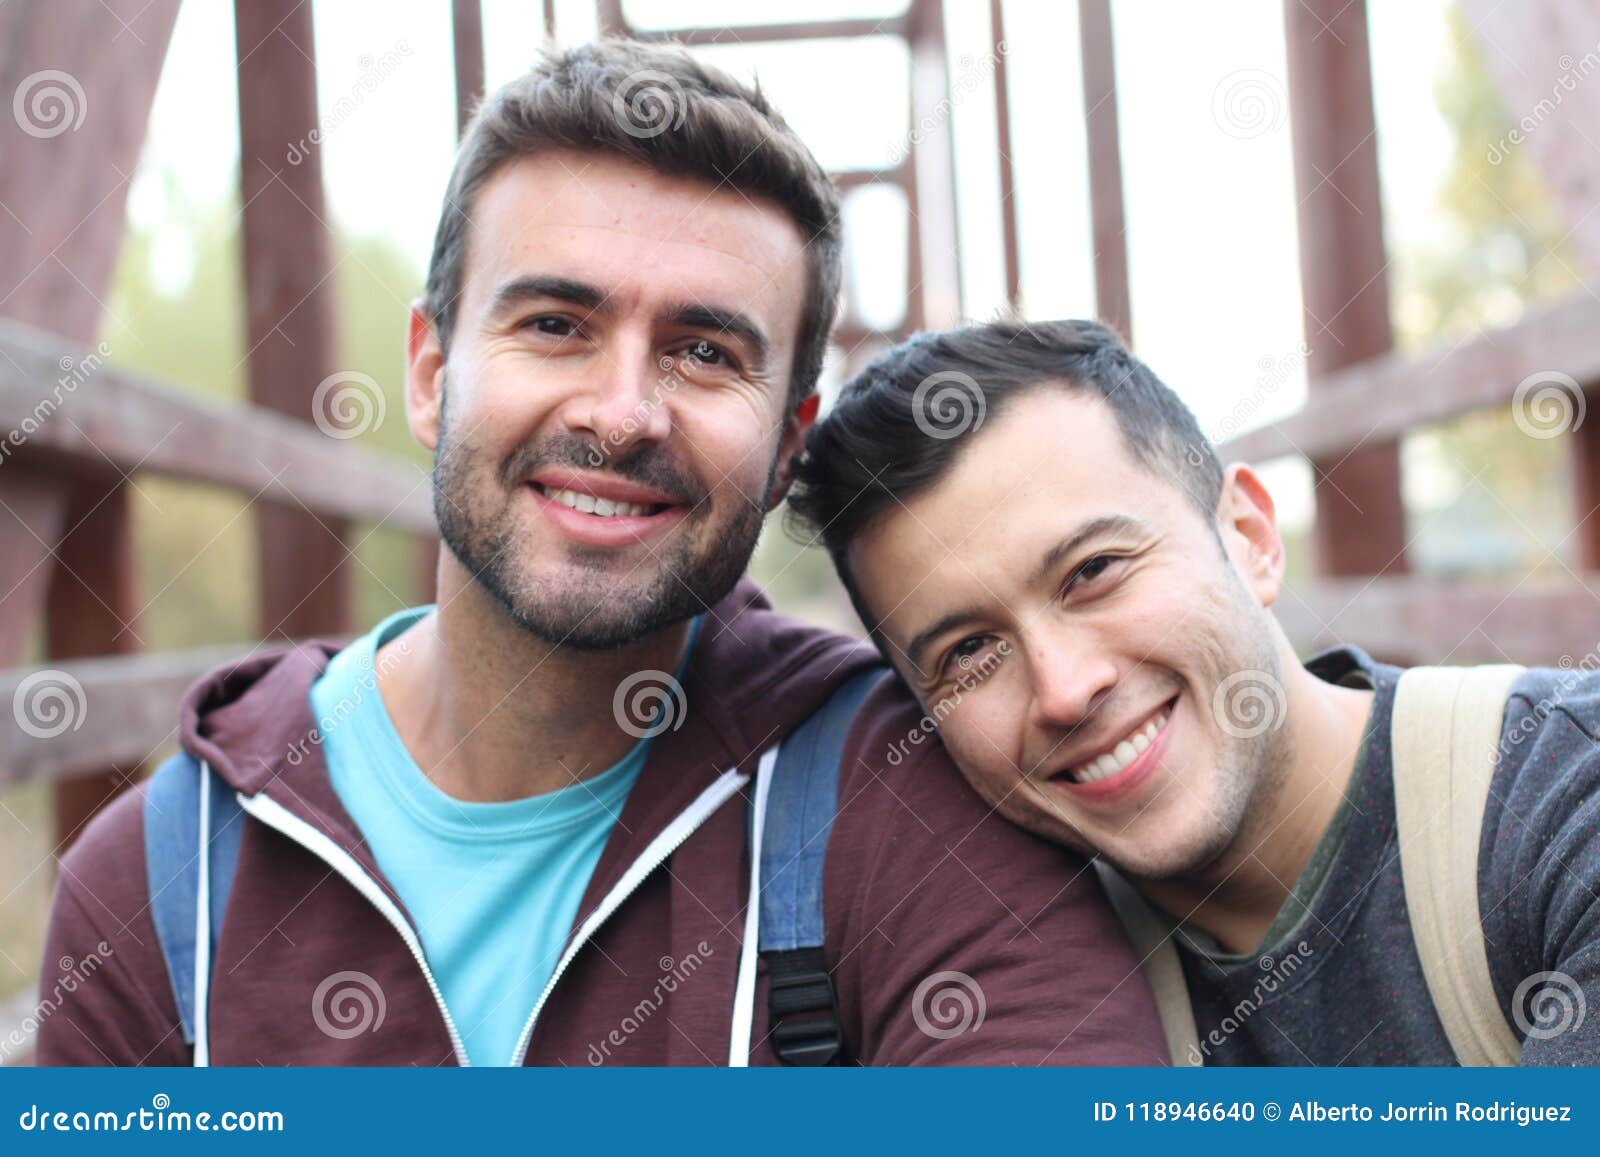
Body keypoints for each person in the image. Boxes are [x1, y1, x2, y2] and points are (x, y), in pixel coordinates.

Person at [36, 44, 1164, 1067]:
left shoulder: (909, 802)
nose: (623, 414)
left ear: (785, 445)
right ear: (430, 374)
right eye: (554, 325)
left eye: (703, 351)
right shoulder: (162, 879)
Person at [788, 317, 1600, 1065]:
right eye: (970, 652)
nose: (1065, 689)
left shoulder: (1562, 797)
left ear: (1248, 536)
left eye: (1094, 571)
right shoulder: (998, 965)